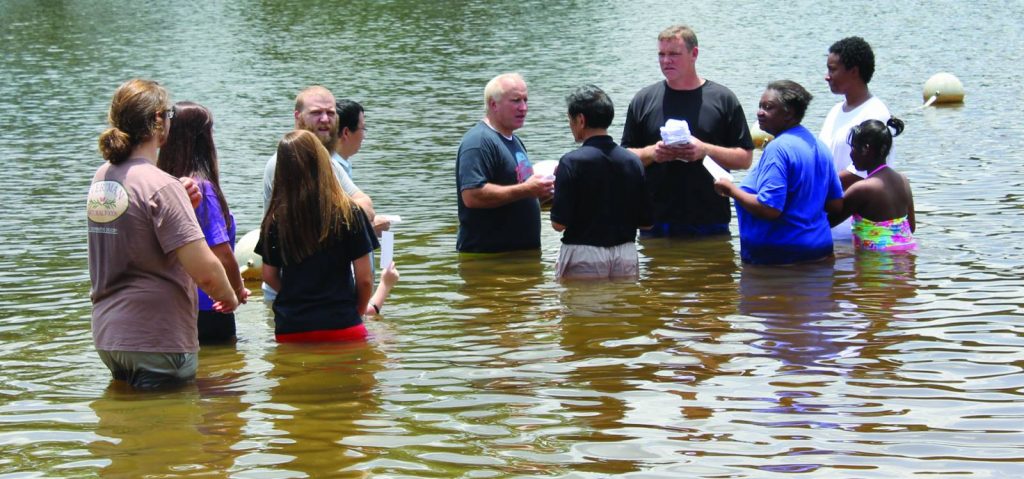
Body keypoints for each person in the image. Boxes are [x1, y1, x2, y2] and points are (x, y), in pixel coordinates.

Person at [87, 79, 240, 389]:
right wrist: (230, 297)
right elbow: (207, 270)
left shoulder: (103, 177)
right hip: (157, 338)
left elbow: (135, 232)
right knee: (169, 432)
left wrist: (178, 198)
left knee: (131, 430)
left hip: (110, 337)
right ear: (158, 120)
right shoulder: (161, 186)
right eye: (168, 113)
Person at [257, 130, 398, 343]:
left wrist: (296, 298)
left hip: (291, 329)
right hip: (343, 324)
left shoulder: (275, 220)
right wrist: (355, 313)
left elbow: (269, 275)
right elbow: (365, 278)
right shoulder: (350, 213)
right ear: (323, 163)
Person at [621, 25, 753, 237]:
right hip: (655, 222)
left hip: (710, 221)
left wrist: (704, 150)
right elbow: (624, 159)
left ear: (694, 54)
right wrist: (653, 153)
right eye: (661, 54)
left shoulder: (723, 99)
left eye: (674, 54)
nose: (666, 61)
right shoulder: (643, 100)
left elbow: (745, 158)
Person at [262, 85, 377, 301]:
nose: (325, 119)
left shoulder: (328, 162)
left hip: (328, 293)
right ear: (297, 116)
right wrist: (353, 223)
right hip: (290, 291)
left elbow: (364, 203)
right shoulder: (285, 163)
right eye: (316, 113)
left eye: (331, 113)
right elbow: (308, 224)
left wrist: (354, 219)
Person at [713, 80, 843, 265]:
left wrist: (731, 190)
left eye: (768, 107)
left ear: (788, 113)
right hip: (819, 253)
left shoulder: (777, 149)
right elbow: (836, 204)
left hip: (779, 258)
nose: (759, 112)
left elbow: (770, 208)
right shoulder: (819, 146)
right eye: (760, 106)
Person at [157, 101, 250, 344]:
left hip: (173, 307)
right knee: (223, 377)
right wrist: (237, 290)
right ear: (203, 139)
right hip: (212, 307)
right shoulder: (202, 189)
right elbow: (221, 253)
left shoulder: (162, 184)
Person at [550, 85, 653, 279]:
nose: (571, 125)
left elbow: (558, 224)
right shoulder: (633, 161)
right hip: (626, 254)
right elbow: (646, 223)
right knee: (623, 308)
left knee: (582, 308)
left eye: (570, 120)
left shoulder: (571, 162)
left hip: (583, 253)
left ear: (580, 120)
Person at [456, 73, 554, 253]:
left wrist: (544, 189)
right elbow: (472, 195)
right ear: (493, 104)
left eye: (526, 100)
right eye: (516, 101)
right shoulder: (478, 142)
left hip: (519, 257)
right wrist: (527, 189)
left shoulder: (513, 140)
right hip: (491, 258)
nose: (523, 108)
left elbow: (519, 191)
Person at [818, 36, 894, 238]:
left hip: (857, 232)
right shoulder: (834, 112)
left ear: (854, 71)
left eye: (833, 69)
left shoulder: (875, 113)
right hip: (830, 225)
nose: (827, 76)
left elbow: (858, 173)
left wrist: (811, 187)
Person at [829, 118, 916, 251]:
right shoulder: (903, 180)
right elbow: (911, 227)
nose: (851, 154)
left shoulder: (862, 189)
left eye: (853, 147)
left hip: (876, 266)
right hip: (906, 263)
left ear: (866, 149)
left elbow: (827, 222)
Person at [334, 99, 391, 236]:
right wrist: (369, 227)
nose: (364, 136)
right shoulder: (329, 167)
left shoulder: (344, 163)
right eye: (363, 128)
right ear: (346, 133)